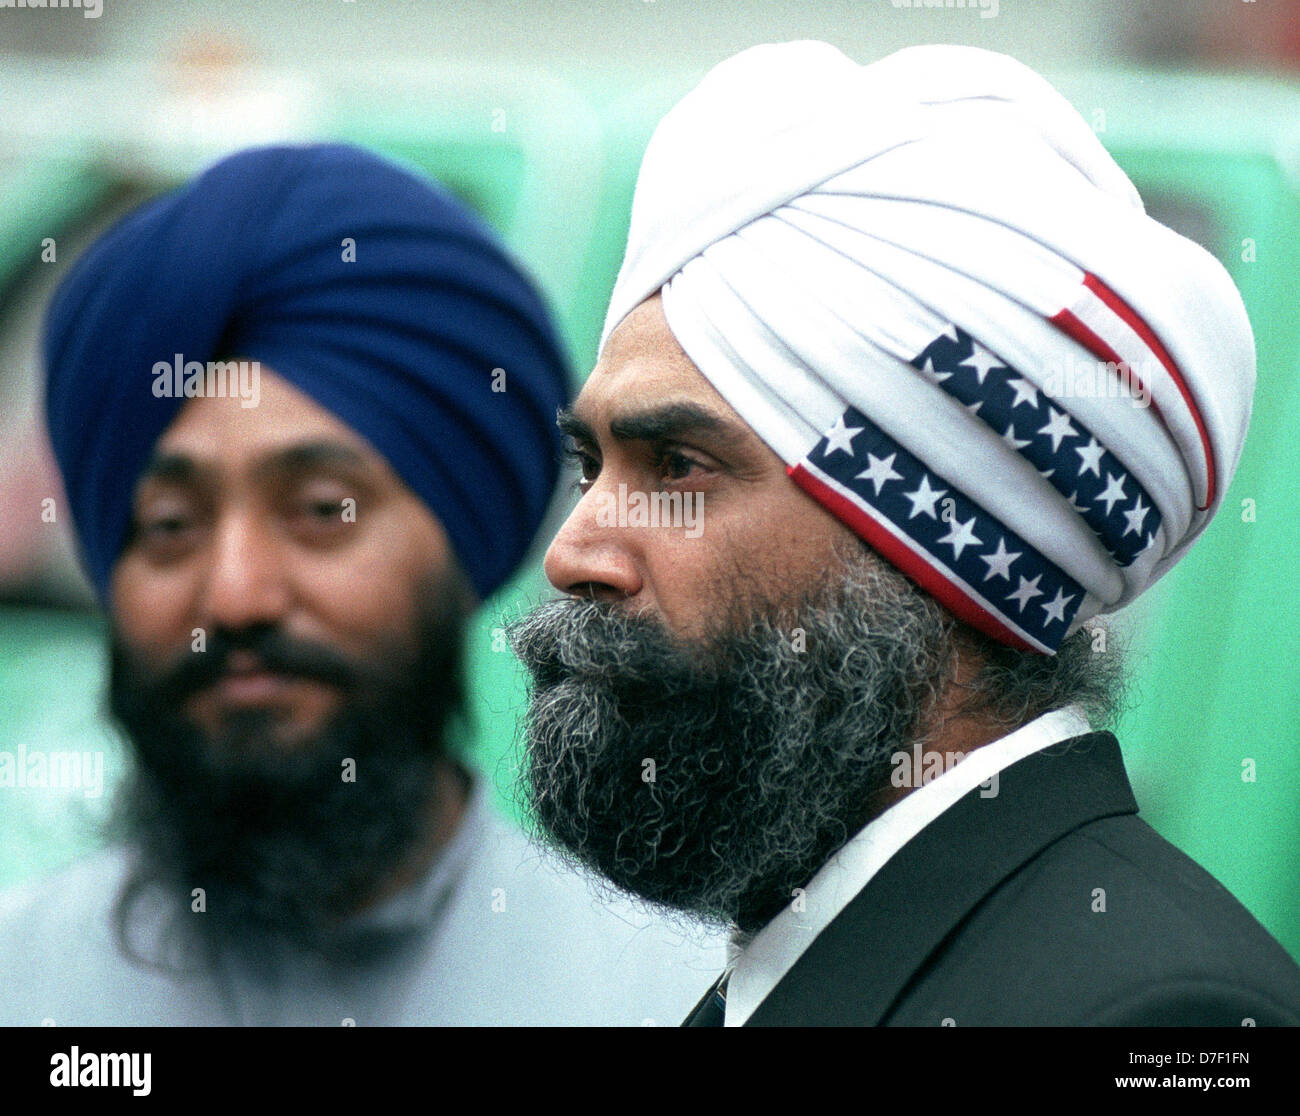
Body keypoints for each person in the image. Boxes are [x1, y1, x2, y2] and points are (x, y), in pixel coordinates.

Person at [507, 42, 1300, 1026]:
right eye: (592, 470)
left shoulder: (1160, 1016)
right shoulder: (804, 961)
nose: (574, 553)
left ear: (933, 556)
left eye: (676, 469)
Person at [0, 142, 721, 1026]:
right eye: (169, 527)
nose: (234, 597)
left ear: (464, 546)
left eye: (321, 510)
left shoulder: (685, 997)